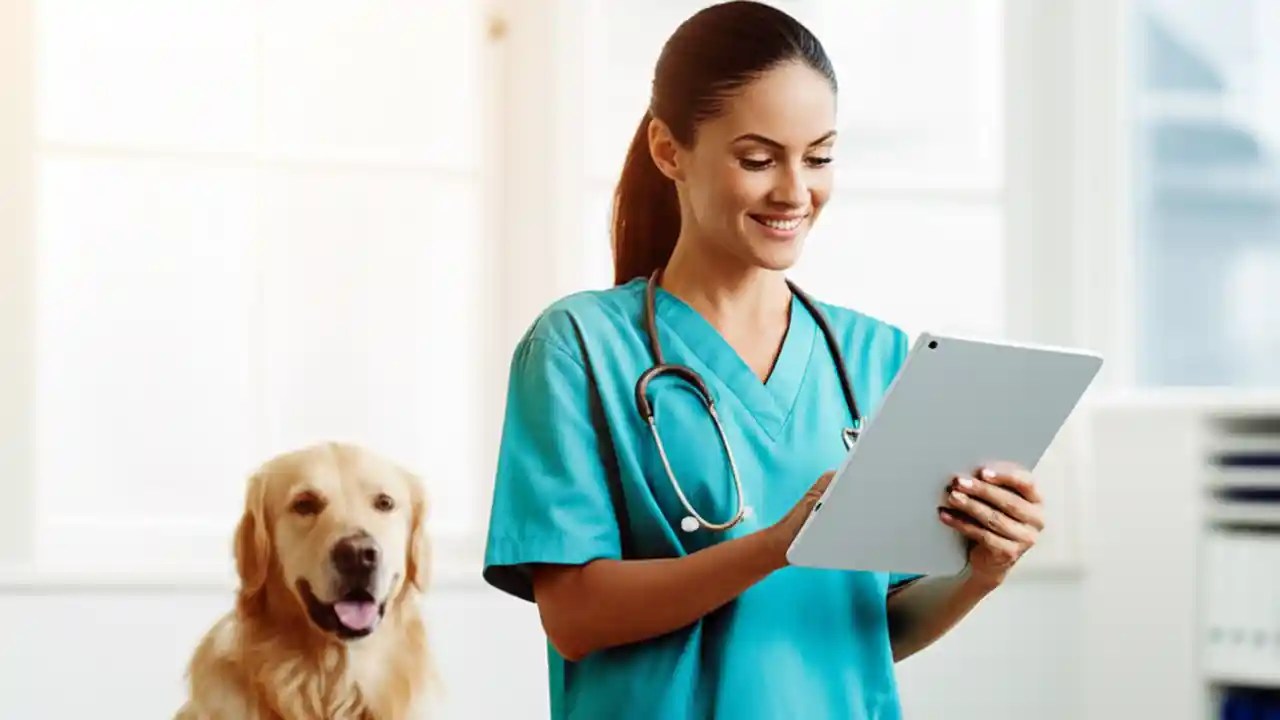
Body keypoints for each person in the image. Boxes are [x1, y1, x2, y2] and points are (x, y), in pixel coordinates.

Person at [481, 2, 1046, 718]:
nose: (794, 191)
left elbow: (871, 630)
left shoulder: (872, 357)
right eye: (757, 158)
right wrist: (774, 548)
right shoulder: (577, 347)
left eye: (818, 157)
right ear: (669, 150)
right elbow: (575, 617)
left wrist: (982, 573)